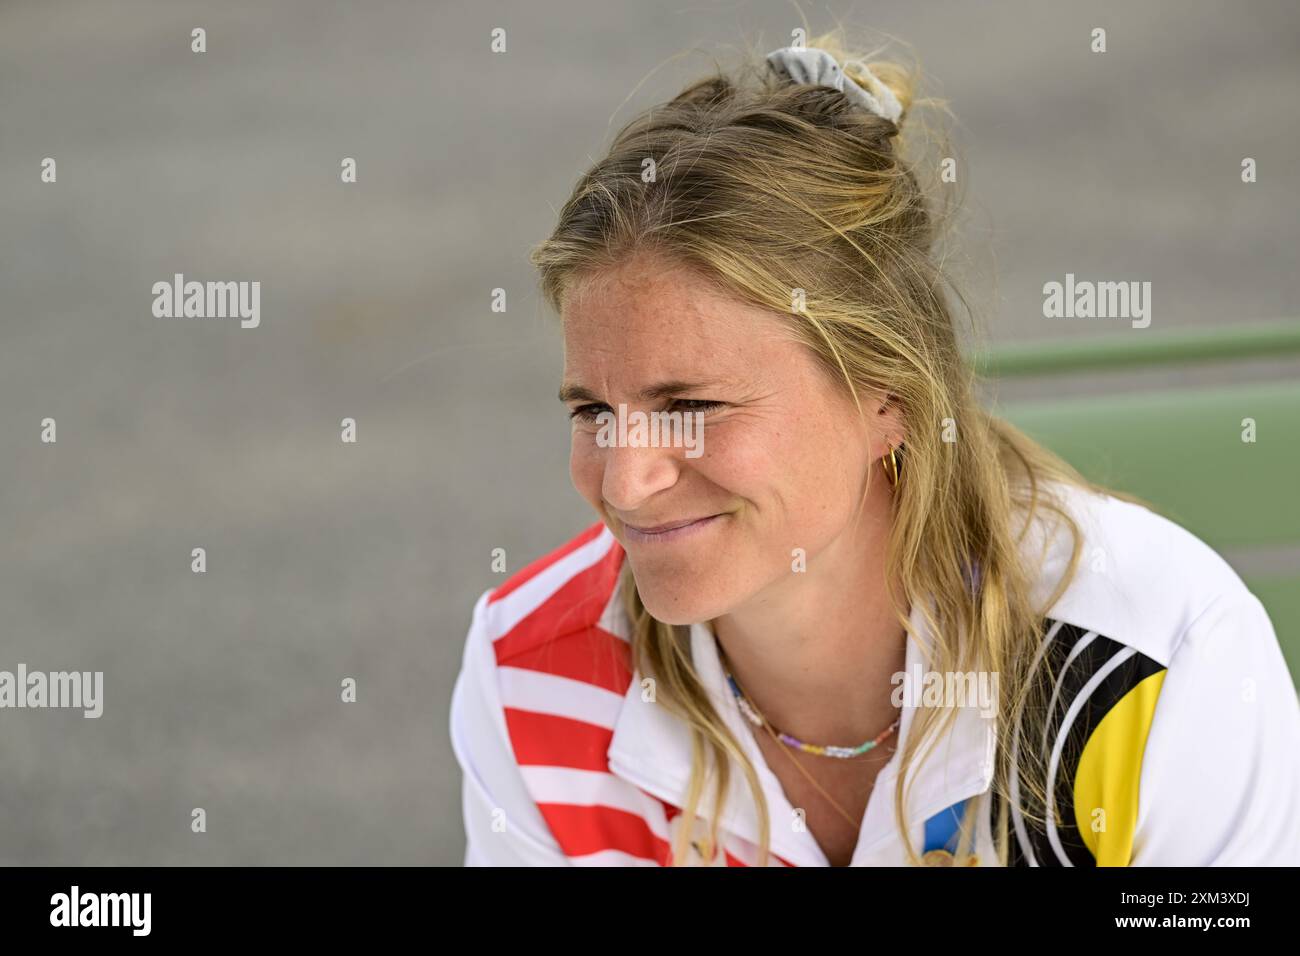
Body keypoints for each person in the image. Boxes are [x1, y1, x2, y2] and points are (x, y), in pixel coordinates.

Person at [449, 30, 1300, 866]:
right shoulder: (527, 675)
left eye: (694, 407)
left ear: (888, 395)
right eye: (593, 411)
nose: (626, 484)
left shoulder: (1155, 662)